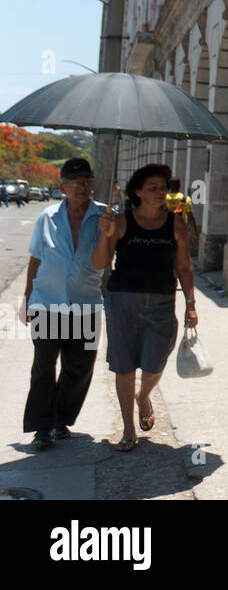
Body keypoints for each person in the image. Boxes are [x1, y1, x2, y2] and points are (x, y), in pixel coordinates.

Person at [93, 163, 197, 452]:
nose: (160, 192)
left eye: (163, 188)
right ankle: (128, 430)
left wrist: (190, 303)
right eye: (152, 187)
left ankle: (145, 395)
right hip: (122, 301)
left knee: (155, 361)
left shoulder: (175, 224)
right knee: (124, 366)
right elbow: (100, 263)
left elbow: (185, 267)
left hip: (162, 301)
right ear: (137, 191)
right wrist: (105, 232)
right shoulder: (120, 221)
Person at [21, 158, 105, 450]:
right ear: (63, 187)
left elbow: (108, 257)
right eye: (77, 182)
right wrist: (27, 298)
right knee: (43, 366)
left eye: (88, 181)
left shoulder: (105, 217)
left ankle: (60, 420)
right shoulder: (47, 217)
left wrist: (111, 231)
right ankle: (41, 428)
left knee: (79, 369)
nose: (83, 187)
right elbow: (35, 258)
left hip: (85, 304)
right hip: (47, 302)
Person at [165, 179, 199, 256]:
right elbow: (190, 218)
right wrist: (195, 234)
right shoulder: (185, 199)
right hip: (180, 231)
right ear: (179, 186)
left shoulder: (163, 199)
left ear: (169, 187)